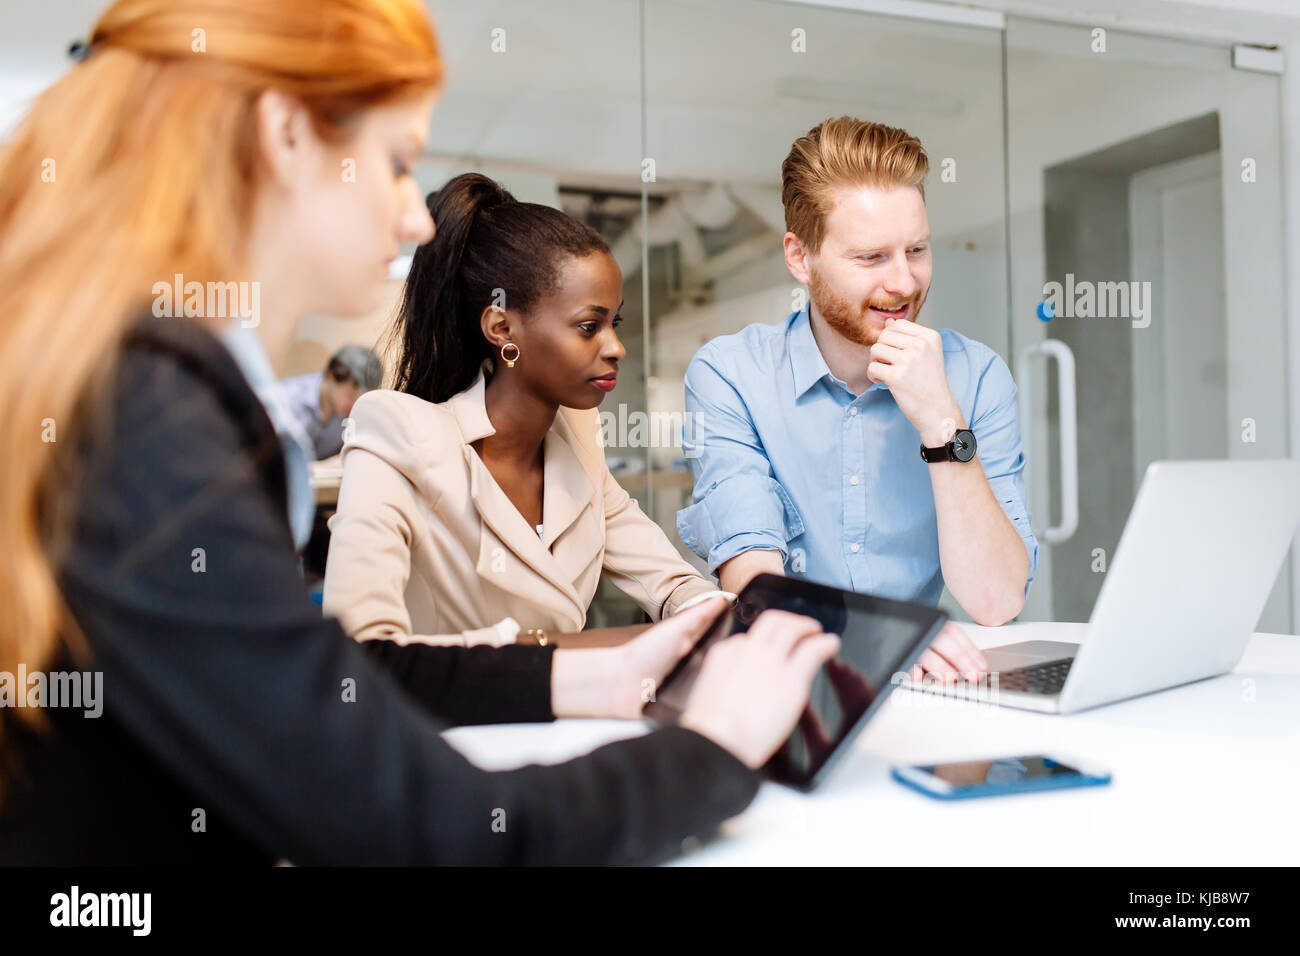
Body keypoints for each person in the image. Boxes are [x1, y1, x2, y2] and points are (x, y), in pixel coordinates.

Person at [0, 0, 838, 865]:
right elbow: (427, 827)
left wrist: (605, 671)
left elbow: (333, 694)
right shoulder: (151, 409)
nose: (414, 217)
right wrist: (710, 750)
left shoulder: (132, 380)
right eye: (396, 164)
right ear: (286, 137)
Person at [677, 117, 1040, 684]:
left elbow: (996, 601)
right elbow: (753, 584)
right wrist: (879, 637)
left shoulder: (977, 375)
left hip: (934, 688)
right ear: (800, 257)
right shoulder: (731, 375)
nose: (903, 282)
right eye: (871, 258)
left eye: (916, 249)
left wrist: (943, 423)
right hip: (794, 686)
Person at [322, 173, 730, 647]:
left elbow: (671, 583)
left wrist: (721, 616)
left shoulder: (576, 441)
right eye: (588, 326)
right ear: (502, 329)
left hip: (560, 717)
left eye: (613, 323)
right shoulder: (397, 432)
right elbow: (360, 650)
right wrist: (604, 654)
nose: (615, 346)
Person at [280, 345, 384, 460]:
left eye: (359, 399)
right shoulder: (286, 399)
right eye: (350, 395)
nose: (354, 404)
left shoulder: (352, 415)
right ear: (331, 375)